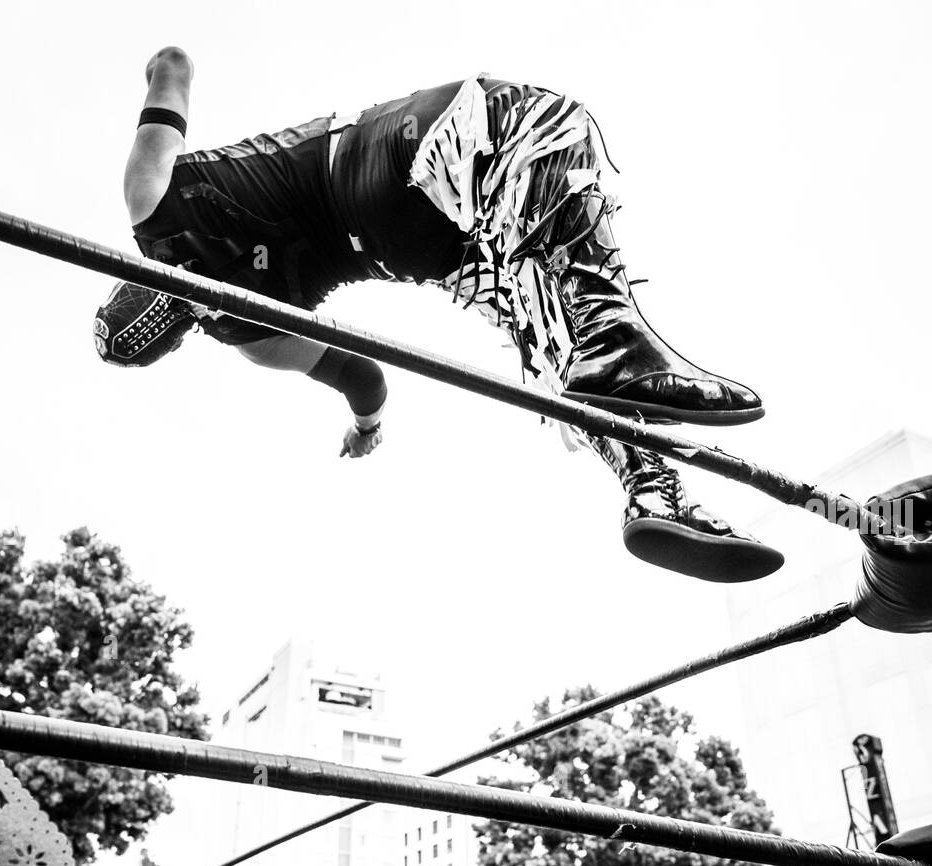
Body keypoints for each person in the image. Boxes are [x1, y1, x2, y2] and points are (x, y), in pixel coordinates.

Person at [99, 53, 783, 585]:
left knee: (547, 333)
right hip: (380, 163)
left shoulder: (250, 338)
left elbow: (364, 380)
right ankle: (613, 340)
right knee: (532, 120)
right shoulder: (149, 204)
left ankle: (651, 489)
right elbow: (173, 63)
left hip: (419, 251)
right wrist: (154, 72)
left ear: (179, 338)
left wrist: (365, 429)